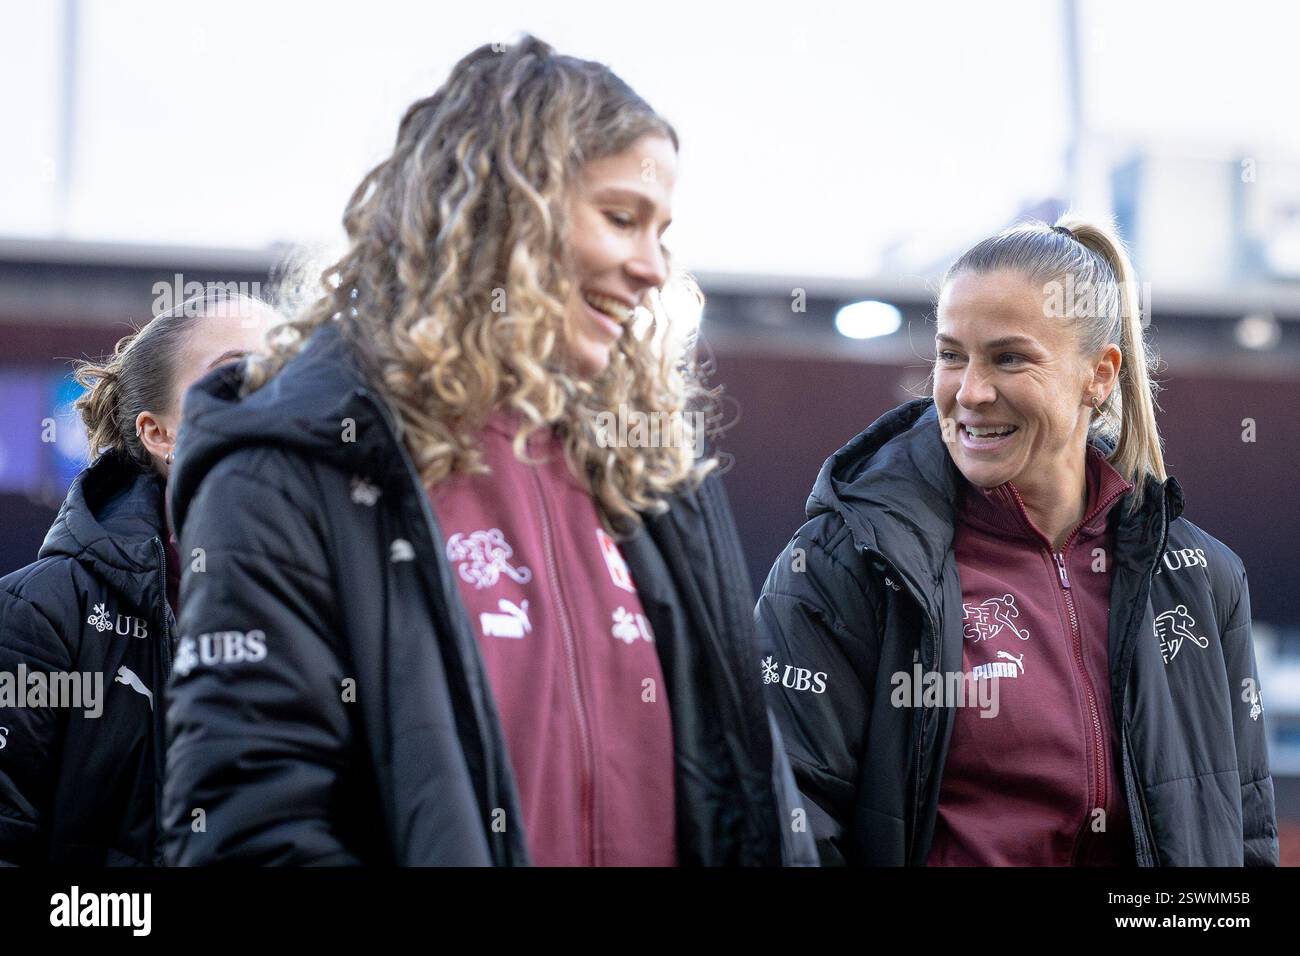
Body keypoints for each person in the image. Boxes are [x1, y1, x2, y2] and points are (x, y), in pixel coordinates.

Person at [162, 36, 815, 866]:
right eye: (620, 219)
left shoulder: (650, 480)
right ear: (504, 211)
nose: (654, 268)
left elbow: (752, 799)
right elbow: (249, 833)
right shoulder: (296, 469)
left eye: (663, 232)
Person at [755, 217, 1278, 866]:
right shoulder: (846, 564)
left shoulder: (1202, 579)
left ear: (1099, 375)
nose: (970, 392)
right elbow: (786, 827)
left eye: (1009, 358)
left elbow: (1248, 838)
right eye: (951, 355)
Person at [0, 290, 276, 864]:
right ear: (159, 433)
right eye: (239, 374)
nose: (273, 393)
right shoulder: (41, 612)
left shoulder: (350, 601)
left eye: (289, 371)